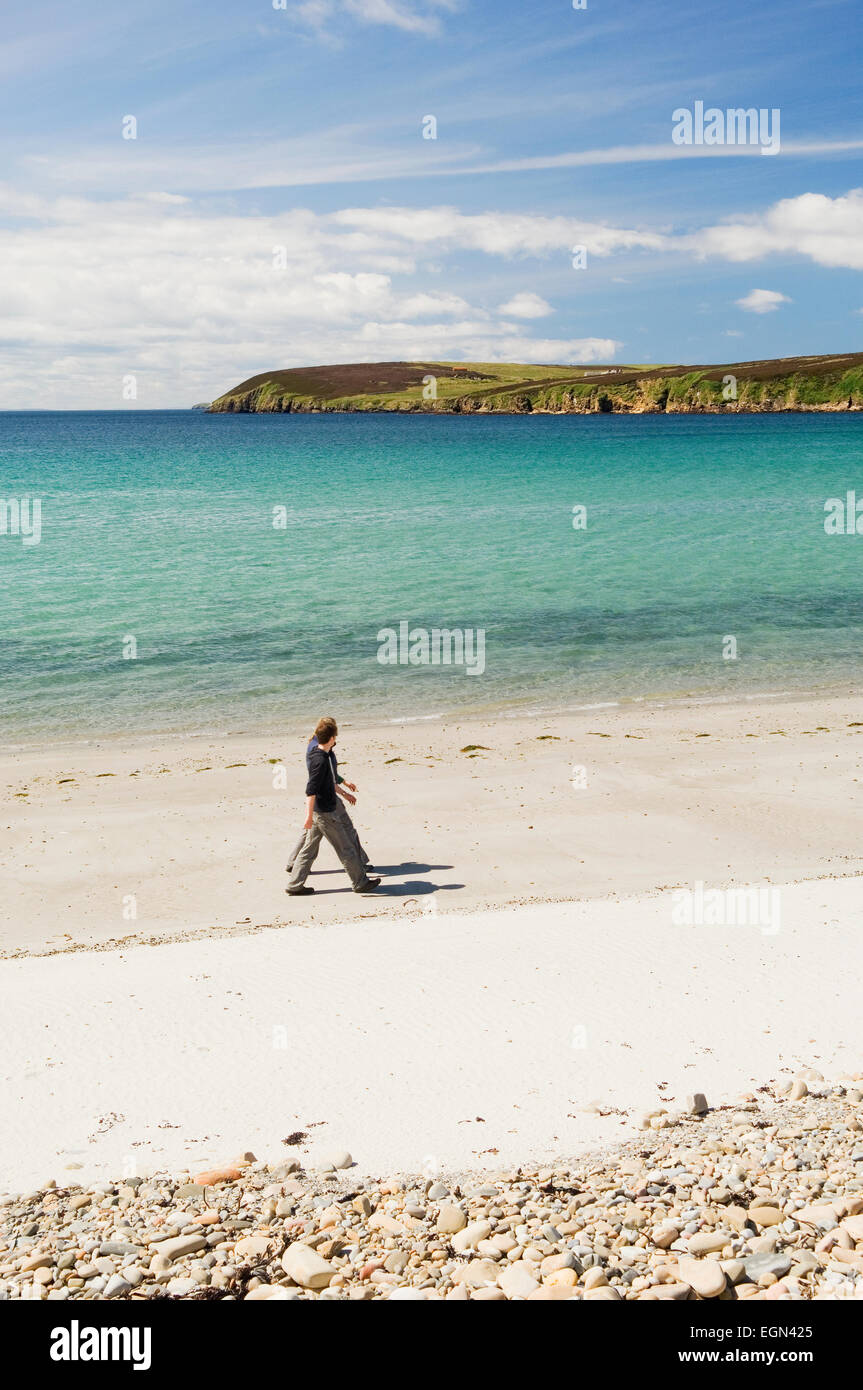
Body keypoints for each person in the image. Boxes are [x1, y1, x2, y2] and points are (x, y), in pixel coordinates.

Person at [286, 717, 381, 896]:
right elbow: (310, 790)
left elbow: (329, 781)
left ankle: (294, 884)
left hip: (321, 810)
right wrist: (308, 816)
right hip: (324, 812)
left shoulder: (323, 754)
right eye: (335, 736)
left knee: (309, 848)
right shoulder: (320, 760)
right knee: (345, 848)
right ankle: (360, 882)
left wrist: (344, 792)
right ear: (331, 738)